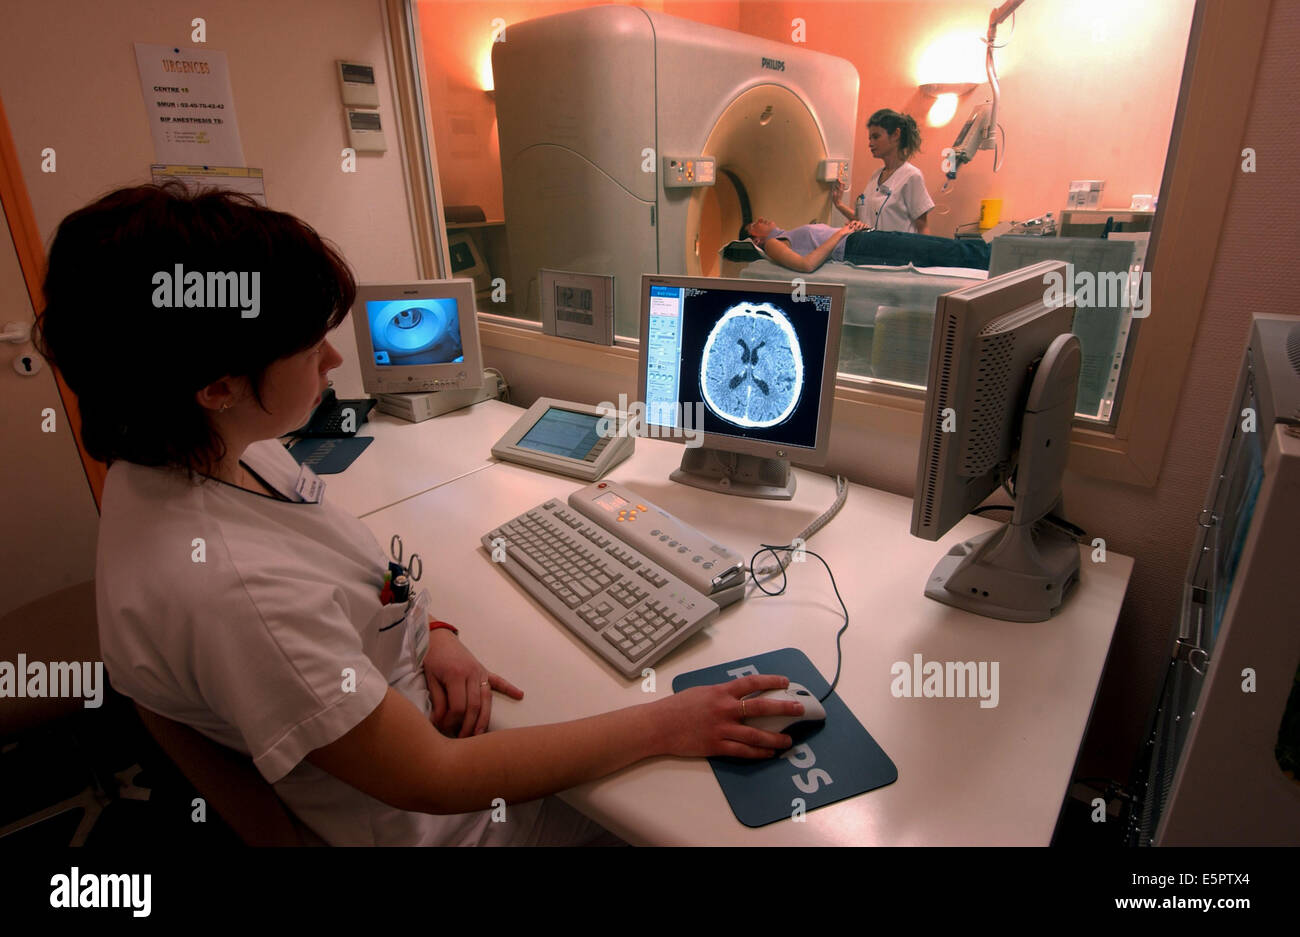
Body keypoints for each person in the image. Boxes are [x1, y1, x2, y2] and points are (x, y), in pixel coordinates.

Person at [36, 183, 807, 846]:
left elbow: (346, 561)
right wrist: (666, 722)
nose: (334, 364)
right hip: (452, 825)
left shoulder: (196, 454)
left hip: (408, 717)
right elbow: (436, 778)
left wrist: (429, 629)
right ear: (217, 385)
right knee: (684, 815)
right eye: (310, 349)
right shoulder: (232, 590)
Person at [740, 216, 991, 274]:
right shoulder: (772, 244)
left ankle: (991, 254)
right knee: (934, 250)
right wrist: (841, 233)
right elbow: (807, 265)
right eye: (753, 224)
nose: (759, 219)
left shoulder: (788, 232)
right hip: (856, 248)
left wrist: (847, 228)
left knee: (931, 245)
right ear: (756, 240)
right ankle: (994, 258)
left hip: (860, 239)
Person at [831, 109, 935, 235]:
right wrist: (838, 204)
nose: (870, 143)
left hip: (897, 251)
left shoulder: (911, 176)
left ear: (896, 134)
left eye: (876, 137)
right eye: (870, 138)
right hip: (870, 249)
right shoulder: (875, 176)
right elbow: (864, 222)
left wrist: (924, 254)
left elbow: (922, 227)